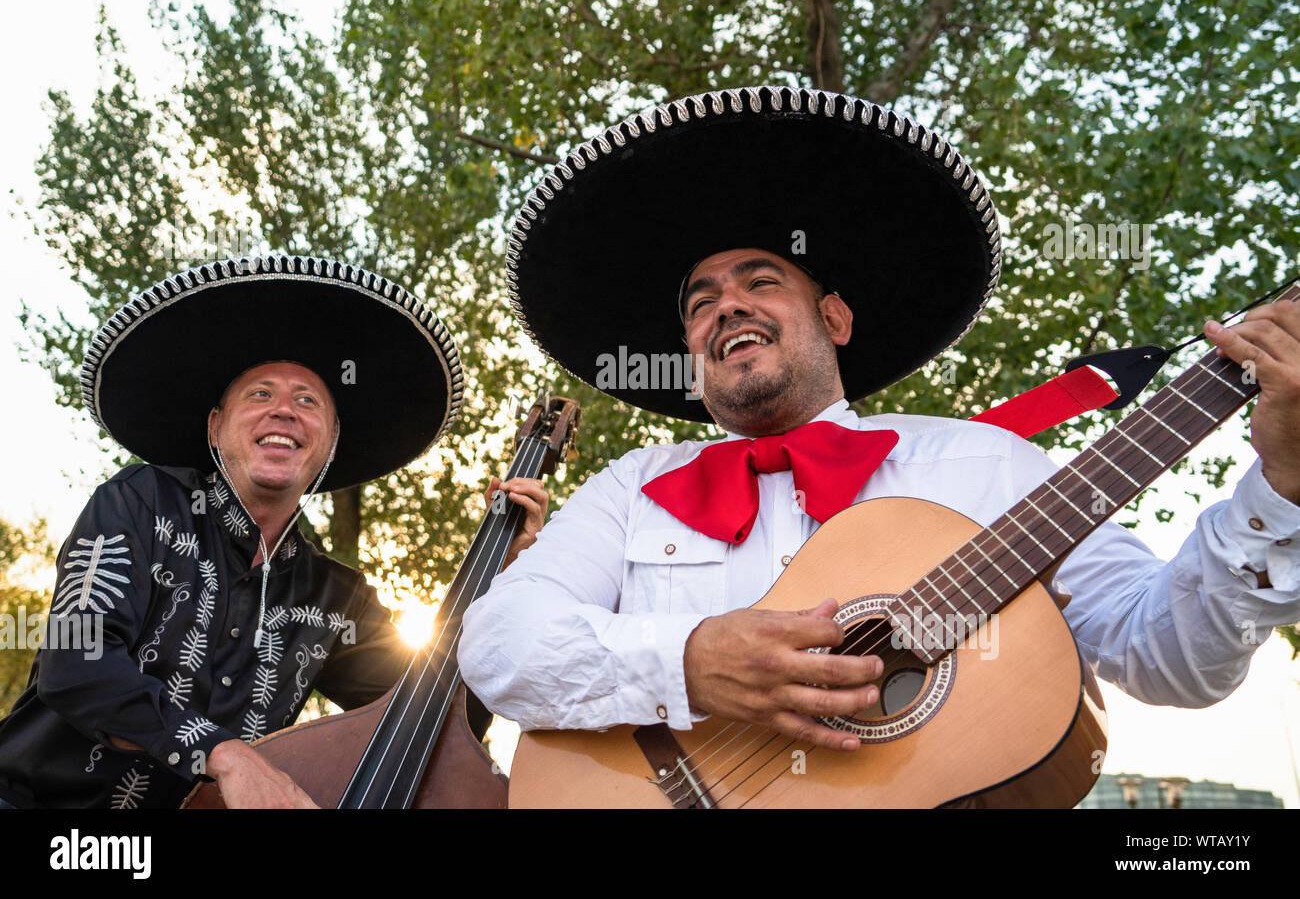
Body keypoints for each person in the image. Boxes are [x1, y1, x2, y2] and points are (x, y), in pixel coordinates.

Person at [458, 86, 1300, 768]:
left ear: (835, 317)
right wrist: (690, 659)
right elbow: (498, 641)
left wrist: (1281, 486)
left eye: (761, 280)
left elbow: (1172, 658)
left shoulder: (987, 465)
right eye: (701, 302)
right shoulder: (631, 488)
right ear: (689, 353)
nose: (729, 306)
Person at [0, 256, 546, 808]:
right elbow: (76, 663)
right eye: (260, 394)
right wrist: (227, 755)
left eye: (308, 401)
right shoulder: (140, 500)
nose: (283, 411)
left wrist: (501, 582)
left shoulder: (337, 596)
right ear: (216, 427)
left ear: (330, 442)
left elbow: (445, 719)